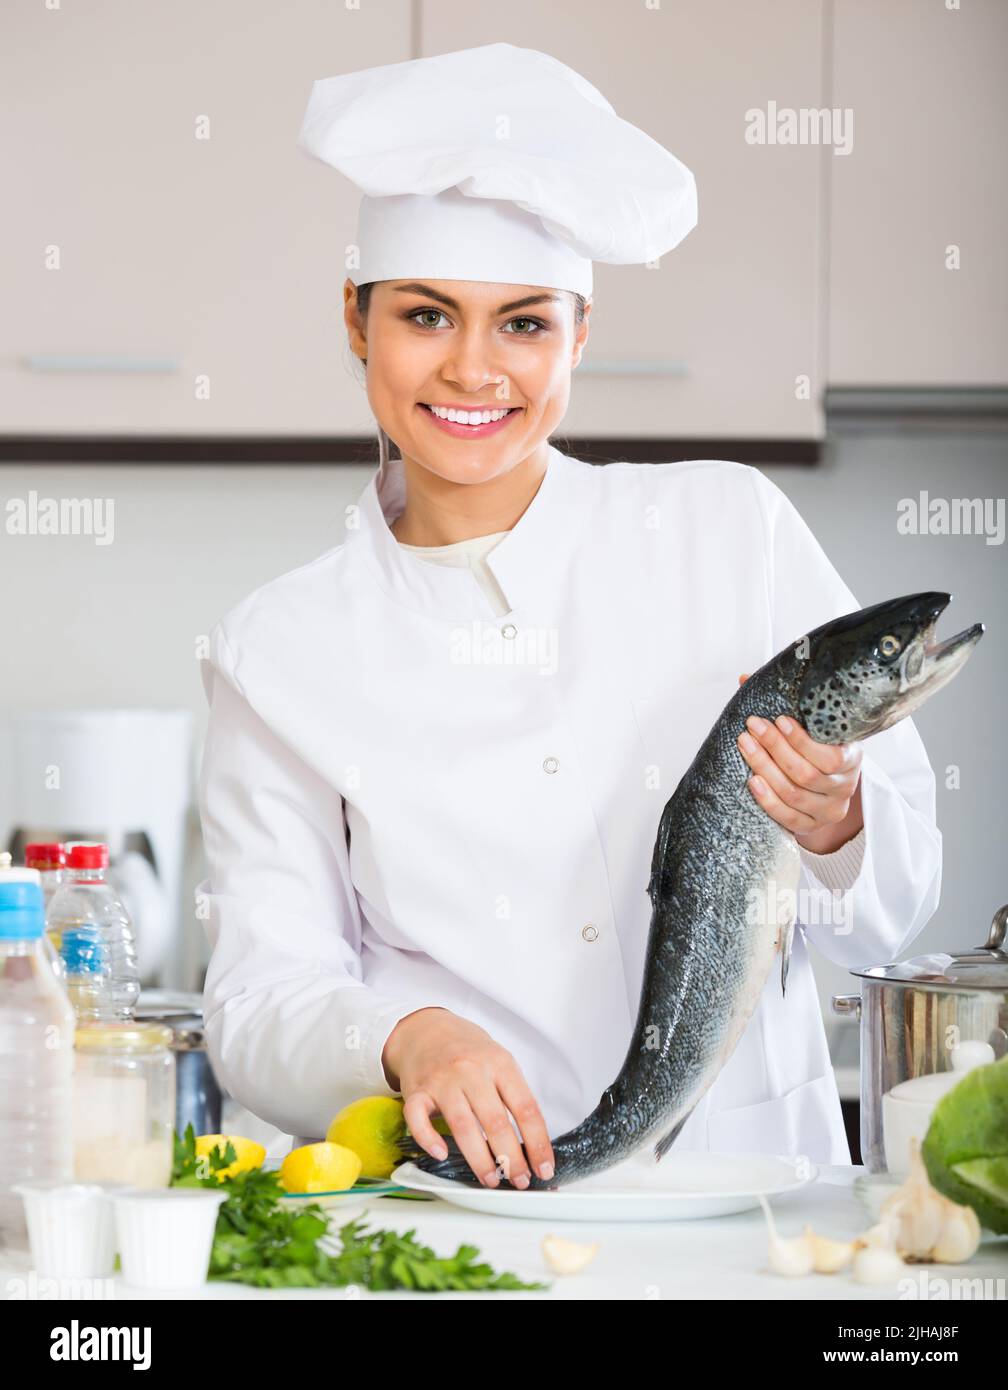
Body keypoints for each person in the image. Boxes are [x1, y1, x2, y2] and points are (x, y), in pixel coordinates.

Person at [196, 44, 940, 1188]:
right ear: (355, 321)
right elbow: (256, 1002)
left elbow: (888, 922)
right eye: (427, 315)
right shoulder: (278, 648)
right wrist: (404, 1039)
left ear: (581, 335)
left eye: (526, 324)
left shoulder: (728, 527)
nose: (474, 370)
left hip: (752, 1210)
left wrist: (838, 827)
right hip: (465, 1222)